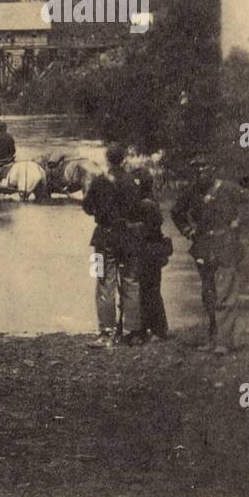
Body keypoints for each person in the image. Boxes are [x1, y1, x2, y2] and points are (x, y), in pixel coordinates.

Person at [171, 155, 249, 355]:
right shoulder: (192, 191)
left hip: (226, 244)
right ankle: (212, 337)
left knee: (226, 293)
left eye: (204, 168)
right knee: (208, 293)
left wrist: (240, 221)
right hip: (203, 245)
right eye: (196, 169)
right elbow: (176, 212)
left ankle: (224, 342)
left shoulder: (228, 188)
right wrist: (188, 230)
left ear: (212, 169)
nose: (200, 172)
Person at [82, 144, 142, 347]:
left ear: (108, 159)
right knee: (131, 281)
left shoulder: (99, 181)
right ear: (123, 159)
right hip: (128, 237)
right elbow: (137, 208)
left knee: (103, 283)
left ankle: (106, 332)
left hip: (103, 237)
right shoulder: (130, 181)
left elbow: (87, 208)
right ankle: (131, 331)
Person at [130, 167, 171, 343]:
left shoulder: (145, 203)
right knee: (151, 290)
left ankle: (153, 329)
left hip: (146, 250)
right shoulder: (150, 201)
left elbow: (149, 229)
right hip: (151, 249)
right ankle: (156, 329)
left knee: (148, 290)